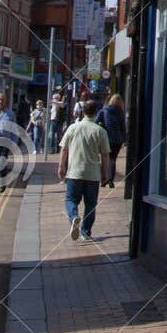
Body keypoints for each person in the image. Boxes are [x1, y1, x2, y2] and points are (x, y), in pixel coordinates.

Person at [57, 99, 110, 242]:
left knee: (70, 199)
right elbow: (105, 155)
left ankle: (74, 216)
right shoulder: (100, 131)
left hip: (75, 172)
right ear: (96, 112)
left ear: (82, 111)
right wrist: (105, 173)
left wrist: (61, 166)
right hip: (93, 174)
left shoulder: (73, 128)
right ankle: (86, 232)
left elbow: (64, 149)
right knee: (91, 204)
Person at [96, 94, 127, 188]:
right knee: (113, 159)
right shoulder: (120, 112)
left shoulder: (104, 110)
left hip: (107, 138)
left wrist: (102, 126)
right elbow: (123, 127)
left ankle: (103, 179)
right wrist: (124, 138)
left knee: (104, 158)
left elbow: (96, 122)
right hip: (117, 139)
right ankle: (110, 179)